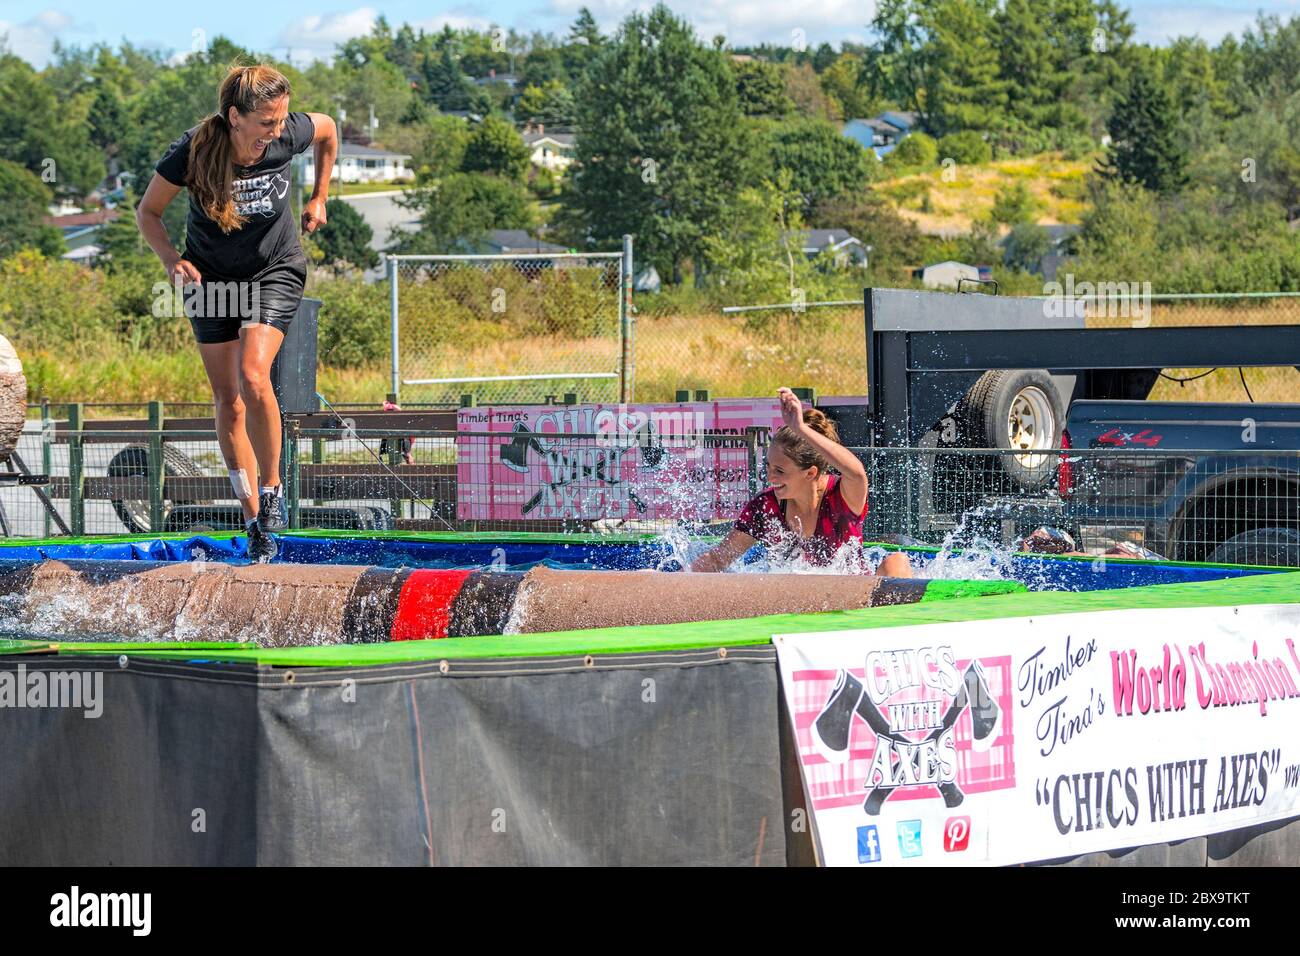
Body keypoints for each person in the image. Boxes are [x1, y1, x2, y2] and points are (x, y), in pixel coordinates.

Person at [137, 64, 338, 561]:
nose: (275, 132)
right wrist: (171, 260)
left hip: (274, 268)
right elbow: (148, 213)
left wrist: (320, 195)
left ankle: (272, 492)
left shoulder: (288, 134)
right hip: (209, 278)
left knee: (253, 375)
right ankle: (253, 520)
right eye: (266, 123)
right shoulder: (193, 151)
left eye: (281, 122)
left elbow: (330, 129)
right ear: (234, 118)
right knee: (228, 399)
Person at [691, 388, 913, 576]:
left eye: (779, 470)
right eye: (768, 466)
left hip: (852, 601)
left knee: (897, 562)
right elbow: (718, 559)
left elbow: (856, 473)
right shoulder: (766, 508)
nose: (770, 477)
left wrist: (801, 429)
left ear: (810, 473)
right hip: (797, 606)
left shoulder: (841, 497)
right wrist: (676, 582)